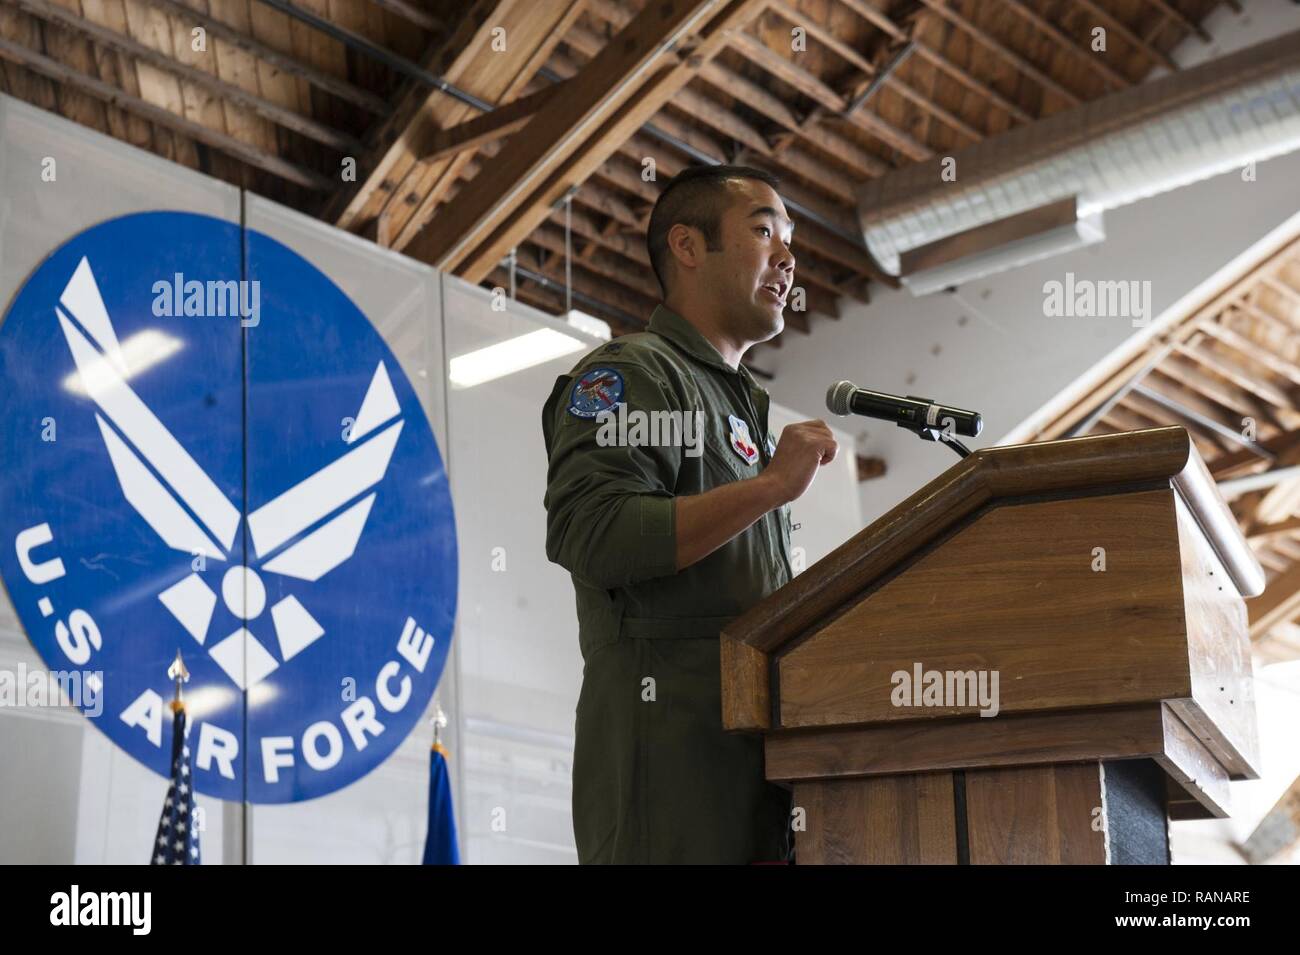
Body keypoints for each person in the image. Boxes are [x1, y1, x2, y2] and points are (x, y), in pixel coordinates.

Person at [541, 164, 838, 864]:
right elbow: (596, 532)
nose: (789, 258)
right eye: (765, 231)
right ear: (687, 246)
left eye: (791, 240)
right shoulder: (634, 374)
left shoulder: (741, 408)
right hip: (670, 789)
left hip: (756, 782)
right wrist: (768, 487)